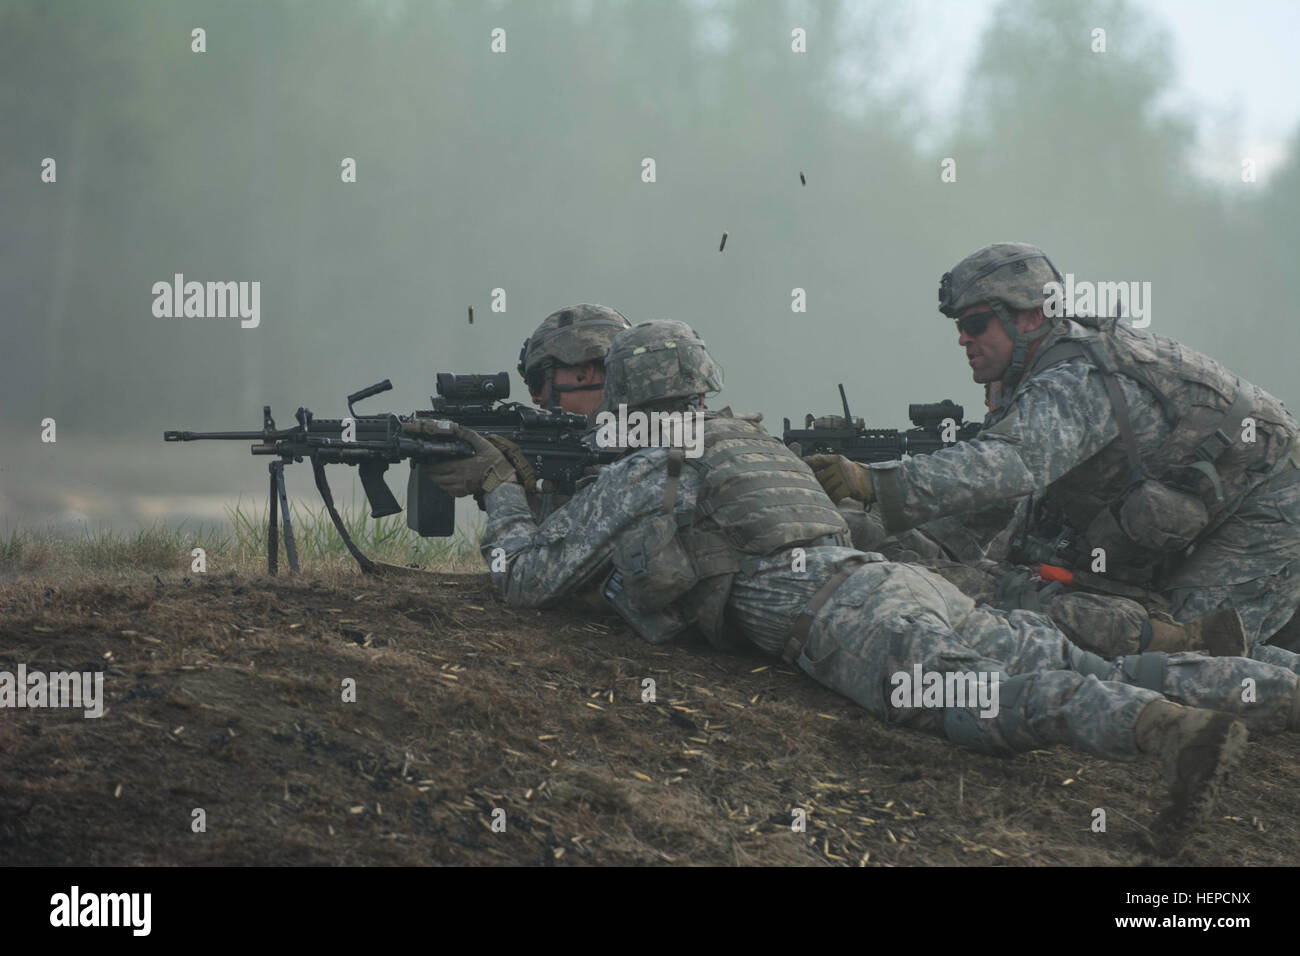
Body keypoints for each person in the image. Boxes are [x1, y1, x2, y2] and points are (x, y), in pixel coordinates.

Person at [415, 319, 1300, 854]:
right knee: (1082, 657)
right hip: (896, 584)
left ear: (629, 399)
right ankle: (1271, 689)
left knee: (987, 701)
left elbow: (524, 580)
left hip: (845, 620)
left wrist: (500, 491)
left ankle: (1169, 733)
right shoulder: (749, 443)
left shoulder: (650, 466)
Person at [807, 243, 1300, 671]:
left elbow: (1008, 465)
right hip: (1196, 501)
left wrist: (875, 483)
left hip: (1271, 499)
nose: (963, 338)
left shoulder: (1075, 379)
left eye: (977, 322)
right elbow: (1001, 511)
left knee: (1204, 652)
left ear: (1029, 316)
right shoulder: (1036, 375)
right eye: (960, 326)